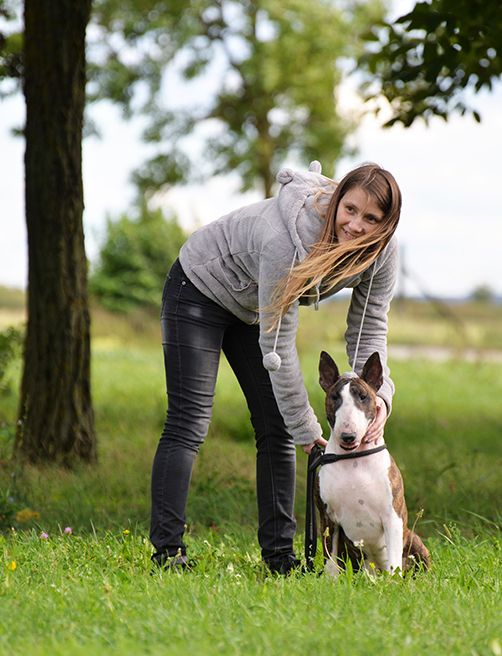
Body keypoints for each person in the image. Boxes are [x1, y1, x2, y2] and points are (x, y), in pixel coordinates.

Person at [150, 161, 402, 574]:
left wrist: (380, 403)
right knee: (190, 421)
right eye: (350, 209)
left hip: (253, 308)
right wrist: (306, 424)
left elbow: (368, 330)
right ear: (337, 200)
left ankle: (279, 559)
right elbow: (278, 343)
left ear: (386, 225)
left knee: (276, 428)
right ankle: (168, 553)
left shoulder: (382, 253)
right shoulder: (286, 241)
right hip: (198, 290)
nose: (356, 225)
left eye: (371, 218)